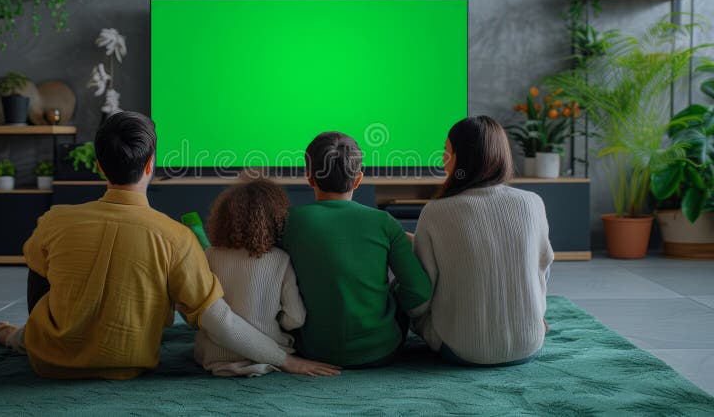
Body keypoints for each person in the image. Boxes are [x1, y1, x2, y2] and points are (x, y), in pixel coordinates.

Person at [0, 111, 339, 379]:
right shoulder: (176, 238)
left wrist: (20, 337)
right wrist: (286, 359)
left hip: (49, 362)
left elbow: (42, 279)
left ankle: (22, 337)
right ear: (151, 164)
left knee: (43, 262)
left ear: (98, 166)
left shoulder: (55, 219)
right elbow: (219, 321)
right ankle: (19, 336)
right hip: (126, 365)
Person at [411, 115, 554, 366]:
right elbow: (542, 269)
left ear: (461, 158)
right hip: (529, 344)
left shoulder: (435, 211)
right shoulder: (533, 202)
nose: (443, 161)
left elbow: (421, 294)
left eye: (446, 152)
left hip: (461, 350)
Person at [281, 131, 432, 368]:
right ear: (358, 179)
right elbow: (420, 291)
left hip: (313, 350)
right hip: (381, 349)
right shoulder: (384, 222)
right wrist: (390, 303)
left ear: (309, 177)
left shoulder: (288, 222)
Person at [194, 178, 306, 377]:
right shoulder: (281, 259)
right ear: (276, 219)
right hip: (269, 351)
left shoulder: (209, 254)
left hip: (213, 356)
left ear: (223, 218)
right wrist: (276, 316)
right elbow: (295, 319)